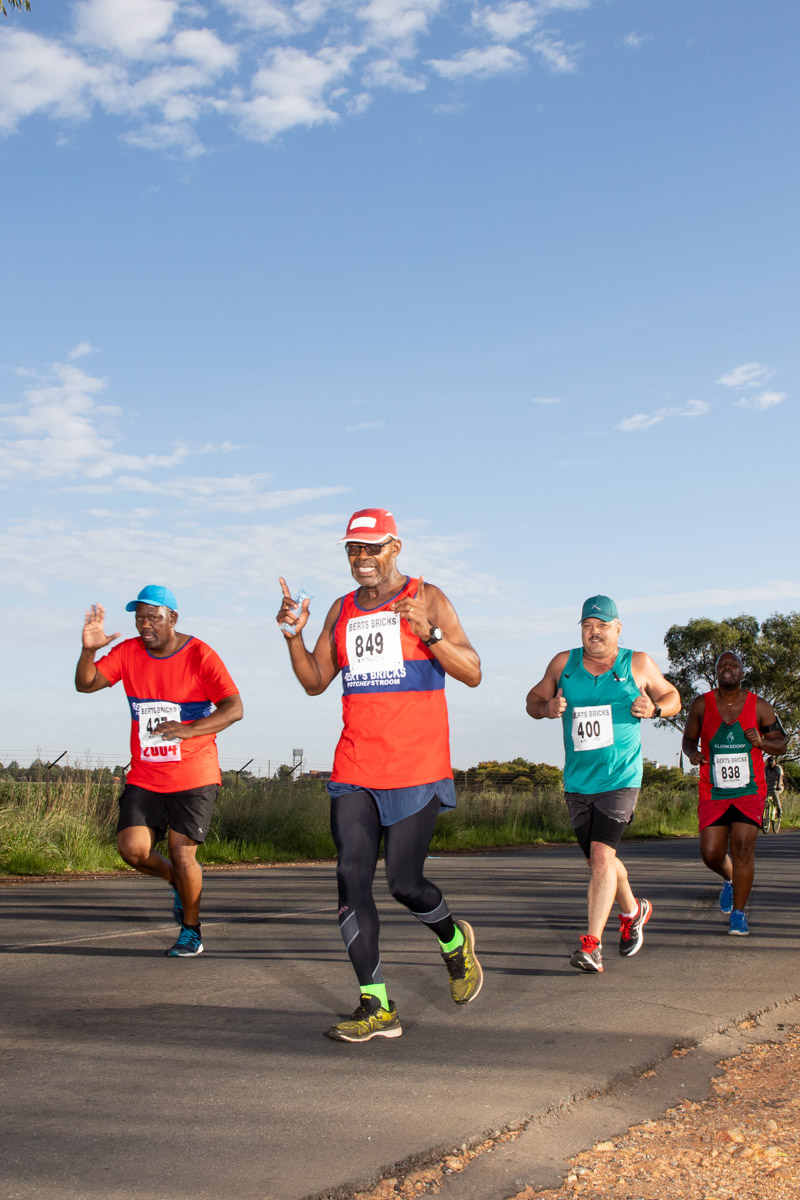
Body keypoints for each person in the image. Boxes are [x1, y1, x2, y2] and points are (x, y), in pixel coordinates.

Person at [277, 508, 483, 1042]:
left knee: (405, 884)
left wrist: (430, 633)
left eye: (372, 548)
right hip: (356, 766)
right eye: (353, 549)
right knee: (350, 878)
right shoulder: (340, 609)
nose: (362, 558)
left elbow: (474, 672)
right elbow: (315, 681)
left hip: (417, 765)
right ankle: (376, 1005)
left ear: (395, 547)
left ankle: (454, 943)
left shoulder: (427, 596)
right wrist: (292, 638)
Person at [75, 585, 243, 957]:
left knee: (183, 854)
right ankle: (175, 881)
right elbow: (85, 685)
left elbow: (233, 708)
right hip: (147, 774)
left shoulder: (200, 654)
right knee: (131, 850)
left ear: (173, 619)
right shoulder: (129, 652)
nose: (145, 625)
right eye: (139, 618)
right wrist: (90, 650)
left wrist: (191, 728)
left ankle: (191, 931)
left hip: (194, 774)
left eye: (153, 617)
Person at [525, 595, 681, 973]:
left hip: (621, 777)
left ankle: (592, 946)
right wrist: (546, 709)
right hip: (578, 780)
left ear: (617, 628)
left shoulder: (638, 663)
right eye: (587, 626)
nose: (594, 633)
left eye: (602, 626)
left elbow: (672, 696)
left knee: (600, 857)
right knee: (603, 859)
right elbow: (532, 699)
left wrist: (655, 709)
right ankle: (633, 910)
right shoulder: (564, 664)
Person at [681, 651, 786, 935]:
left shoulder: (760, 706)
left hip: (749, 789)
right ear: (716, 672)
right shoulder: (701, 705)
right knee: (711, 853)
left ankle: (738, 914)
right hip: (713, 790)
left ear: (742, 671)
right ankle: (728, 877)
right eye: (722, 665)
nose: (727, 668)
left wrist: (762, 741)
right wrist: (693, 754)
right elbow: (688, 740)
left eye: (733, 664)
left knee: (743, 849)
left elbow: (782, 744)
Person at [765, 755, 785, 822]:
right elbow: (763, 777)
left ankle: (779, 809)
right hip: (768, 787)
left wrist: (778, 785)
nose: (771, 763)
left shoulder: (778, 768)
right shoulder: (766, 768)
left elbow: (779, 776)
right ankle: (764, 817)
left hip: (778, 787)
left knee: (774, 793)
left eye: (772, 761)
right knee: (764, 799)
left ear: (775, 762)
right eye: (769, 761)